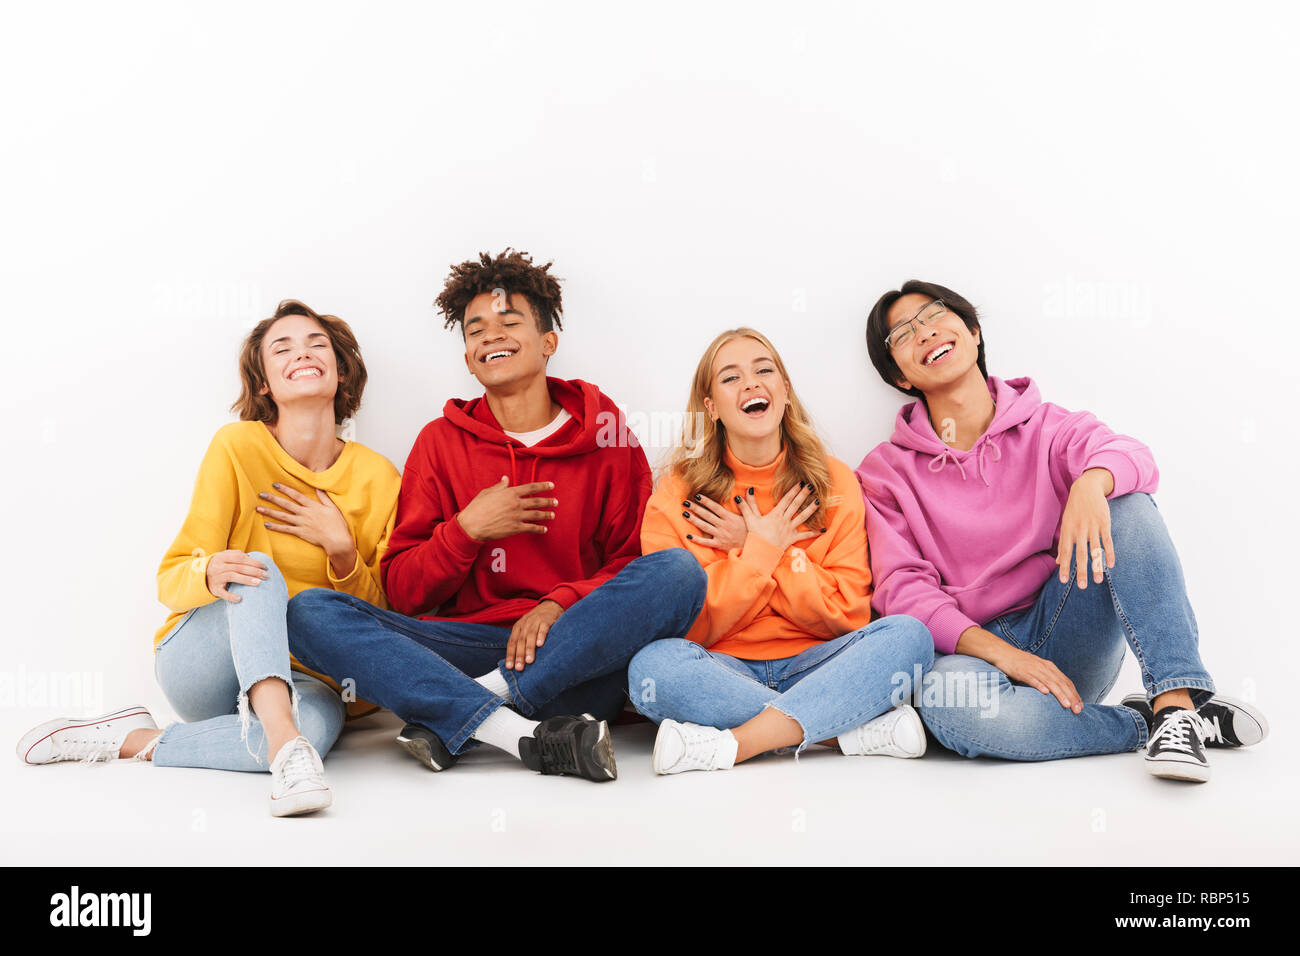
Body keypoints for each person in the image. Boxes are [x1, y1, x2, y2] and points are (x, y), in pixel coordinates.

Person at [287, 249, 706, 782]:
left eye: (509, 323)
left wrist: (560, 605)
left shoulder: (607, 437)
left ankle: (465, 711)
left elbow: (632, 564)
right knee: (307, 612)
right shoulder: (439, 443)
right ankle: (518, 733)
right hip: (468, 648)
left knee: (679, 573)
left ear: (548, 342)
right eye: (475, 330)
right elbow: (403, 591)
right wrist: (467, 531)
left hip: (577, 656)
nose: (491, 337)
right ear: (467, 357)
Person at [856, 280, 1268, 782]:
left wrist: (1090, 486)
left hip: (1068, 629)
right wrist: (1006, 656)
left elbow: (1134, 456)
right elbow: (902, 591)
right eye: (903, 332)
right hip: (975, 653)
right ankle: (1145, 723)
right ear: (899, 376)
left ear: (973, 331)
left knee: (1127, 504)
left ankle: (1177, 703)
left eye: (934, 314)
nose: (925, 332)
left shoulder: (1048, 426)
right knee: (949, 710)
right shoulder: (884, 473)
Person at [17, 299, 401, 815]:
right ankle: (286, 750)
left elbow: (383, 618)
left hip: (310, 680)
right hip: (207, 666)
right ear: (265, 383)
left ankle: (136, 740)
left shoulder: (380, 477)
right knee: (256, 571)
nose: (302, 354)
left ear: (341, 370)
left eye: (317, 344)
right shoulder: (236, 447)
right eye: (281, 348)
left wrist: (342, 549)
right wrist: (210, 570)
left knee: (313, 728)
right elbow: (171, 576)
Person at [627, 327, 934, 774]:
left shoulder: (835, 482)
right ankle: (838, 733)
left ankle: (737, 744)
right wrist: (762, 551)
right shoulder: (678, 492)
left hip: (820, 665)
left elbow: (848, 613)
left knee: (910, 637)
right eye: (730, 378)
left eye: (764, 370)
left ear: (784, 391)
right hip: (721, 668)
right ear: (710, 407)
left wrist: (765, 552)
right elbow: (689, 627)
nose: (751, 383)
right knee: (651, 667)